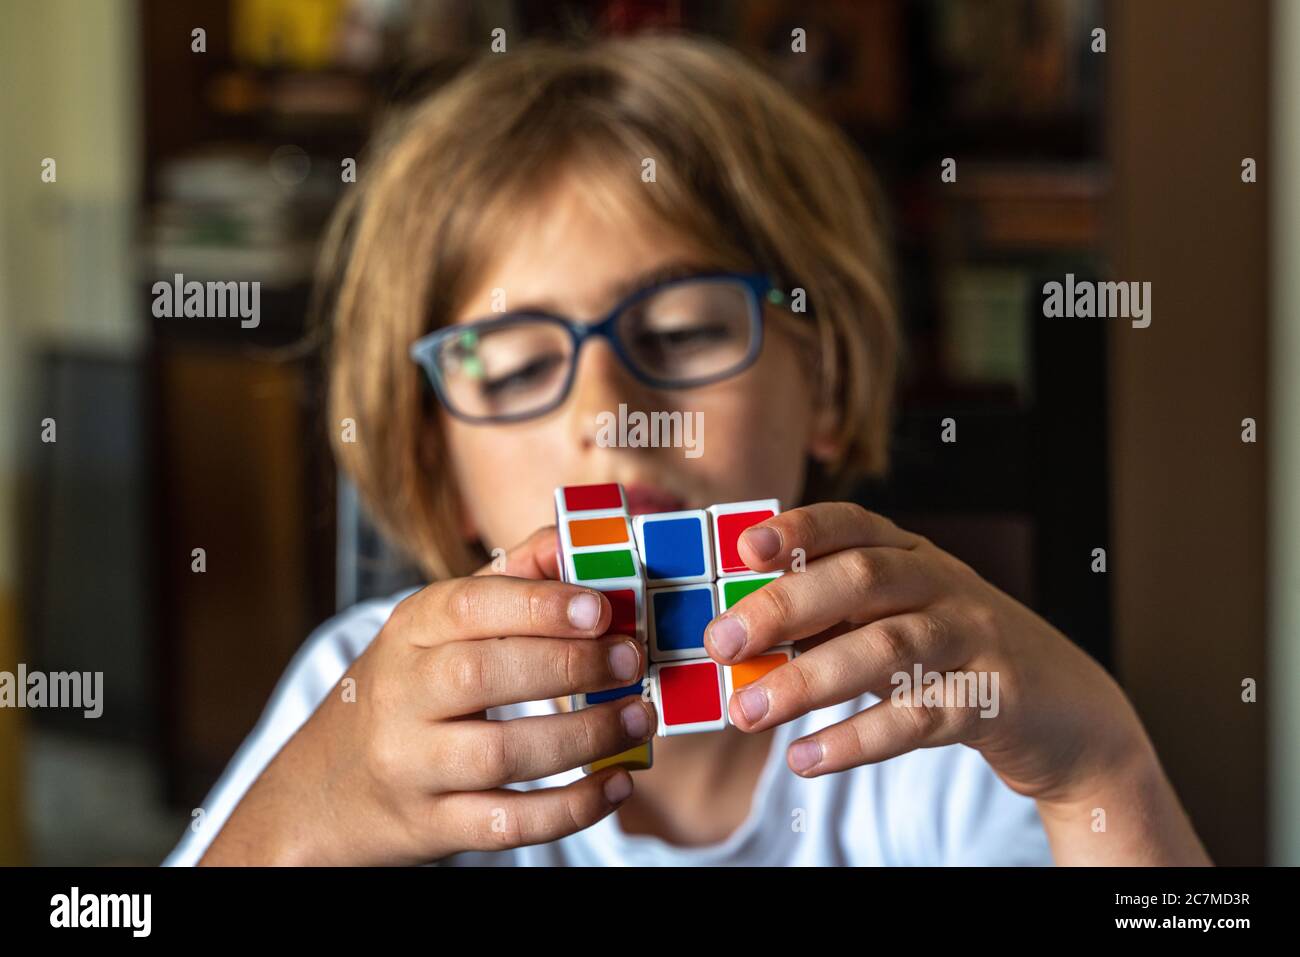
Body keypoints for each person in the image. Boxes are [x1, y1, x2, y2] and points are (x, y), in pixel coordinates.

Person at [164, 33, 1208, 866]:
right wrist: (295, 836)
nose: (611, 409)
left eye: (681, 334)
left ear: (828, 391)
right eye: (520, 366)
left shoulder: (937, 719)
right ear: (440, 475)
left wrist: (1104, 774)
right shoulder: (354, 694)